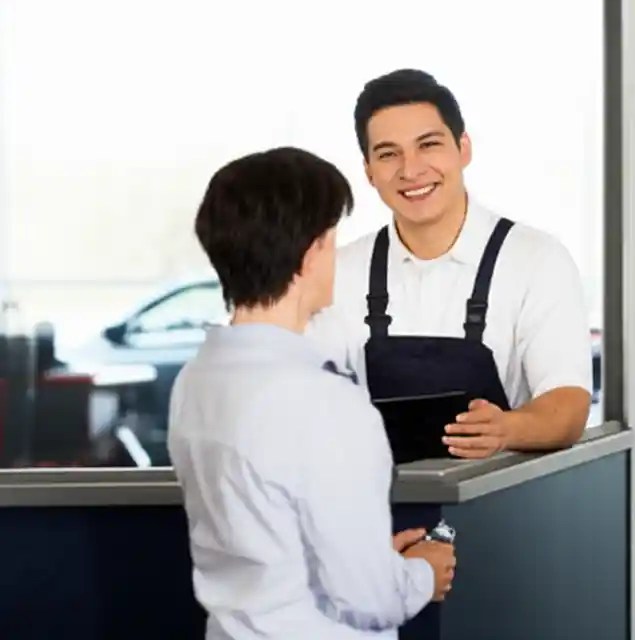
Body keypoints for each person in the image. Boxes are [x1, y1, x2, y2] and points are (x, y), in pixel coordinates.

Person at [169, 147, 456, 639]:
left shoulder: (195, 382)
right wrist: (423, 573)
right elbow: (370, 602)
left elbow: (264, 546)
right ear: (309, 255)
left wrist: (372, 558)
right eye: (331, 241)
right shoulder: (326, 404)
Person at [307, 69, 593, 459]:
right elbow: (313, 399)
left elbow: (569, 405)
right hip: (375, 510)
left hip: (501, 505)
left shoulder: (537, 260)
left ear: (464, 148)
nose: (410, 170)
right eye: (388, 154)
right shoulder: (341, 271)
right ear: (369, 172)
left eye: (428, 145)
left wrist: (506, 429)